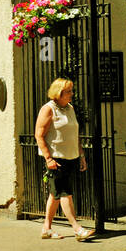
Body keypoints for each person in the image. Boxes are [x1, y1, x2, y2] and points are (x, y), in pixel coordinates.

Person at [34, 77, 95, 241]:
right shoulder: (48, 109)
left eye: (71, 91)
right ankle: (77, 229)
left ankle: (46, 228)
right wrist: (48, 159)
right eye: (68, 92)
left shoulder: (70, 108)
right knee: (65, 193)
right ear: (59, 93)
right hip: (56, 159)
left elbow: (75, 135)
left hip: (71, 157)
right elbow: (39, 135)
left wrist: (81, 155)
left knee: (55, 194)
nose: (71, 94)